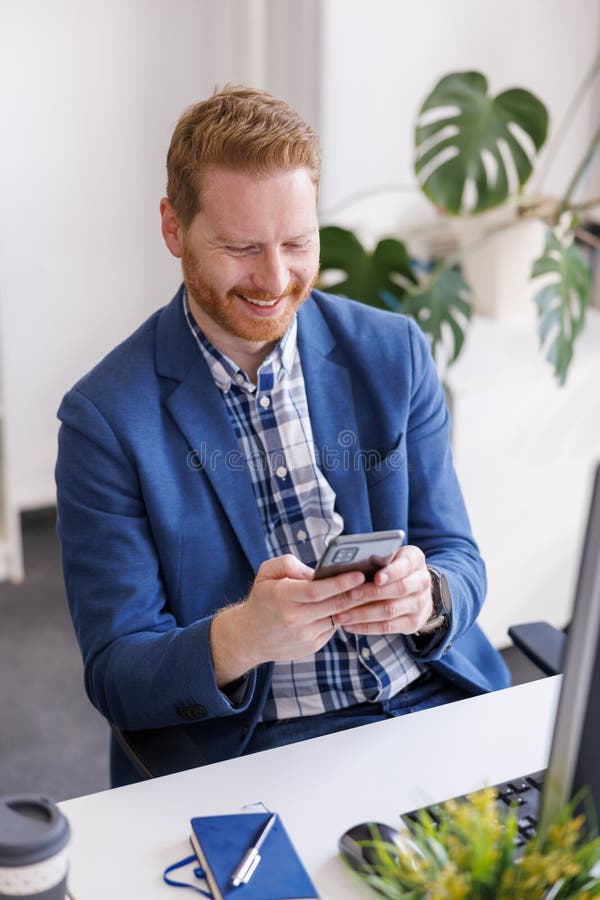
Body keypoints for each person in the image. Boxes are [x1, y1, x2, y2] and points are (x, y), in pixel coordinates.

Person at [56, 86, 509, 787]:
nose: (274, 279)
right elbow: (117, 672)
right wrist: (239, 638)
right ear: (174, 228)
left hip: (432, 708)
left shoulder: (392, 353)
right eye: (240, 248)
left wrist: (430, 598)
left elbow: (458, 556)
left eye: (297, 243)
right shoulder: (106, 420)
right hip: (264, 753)